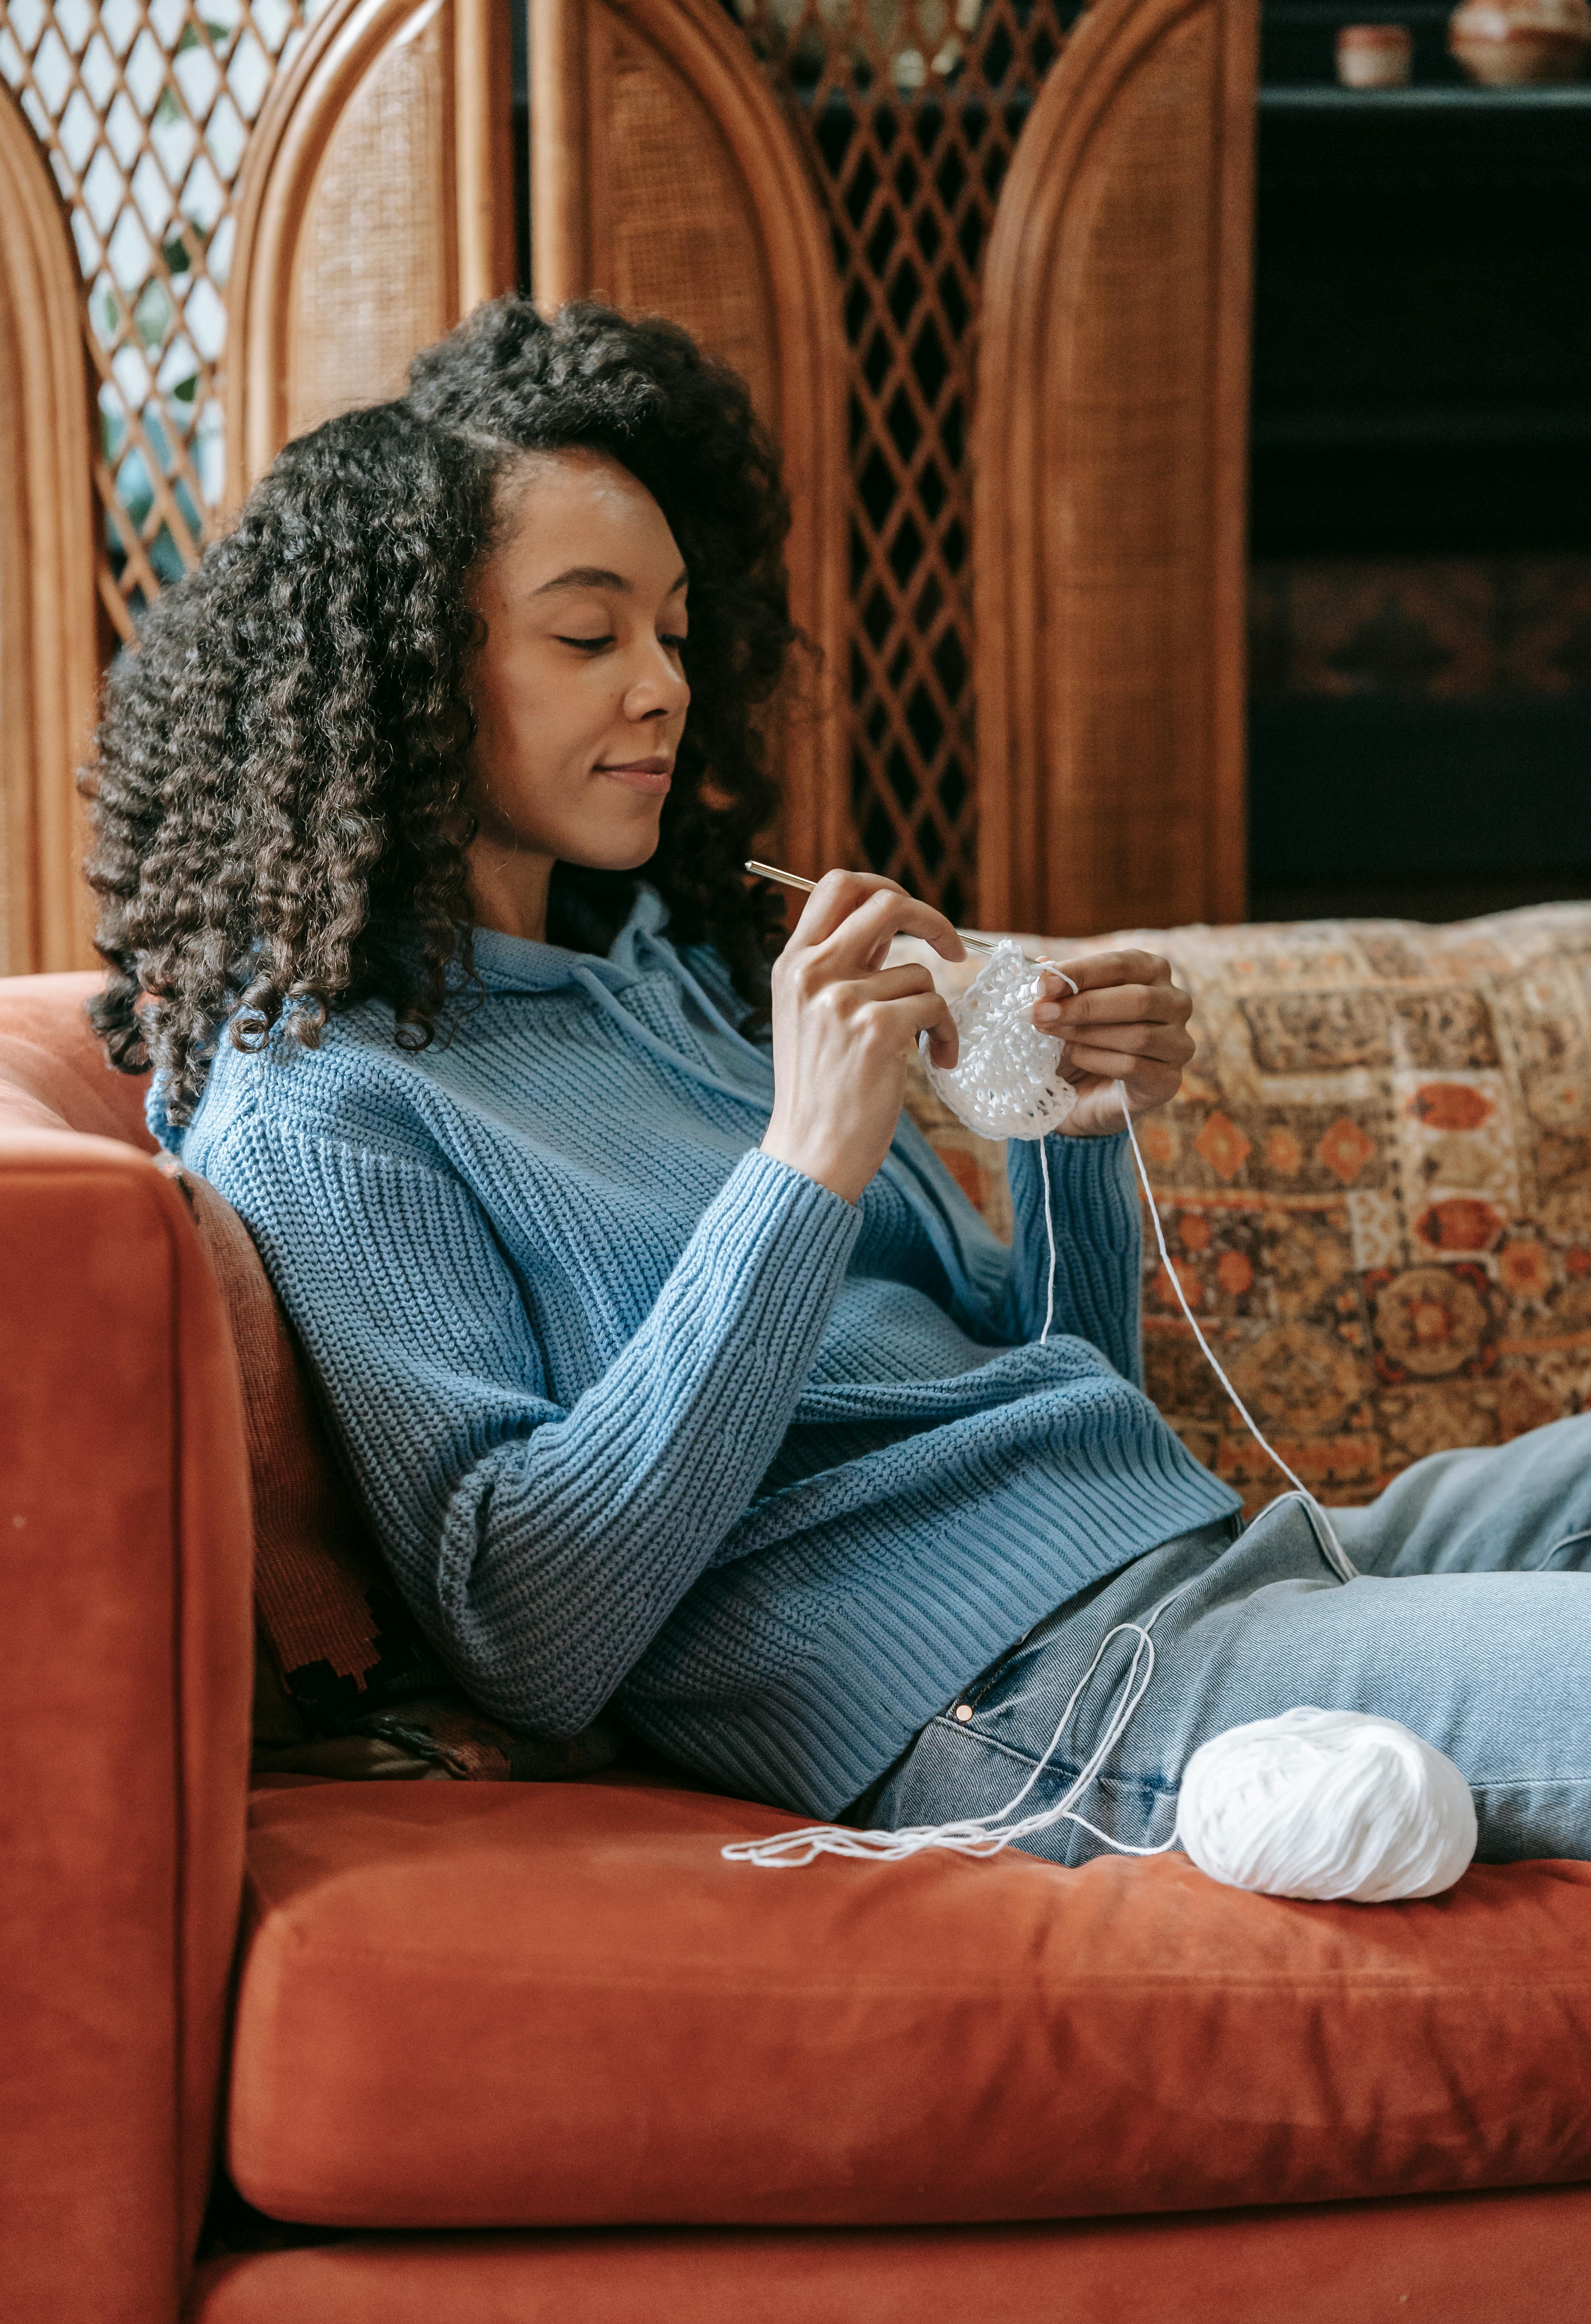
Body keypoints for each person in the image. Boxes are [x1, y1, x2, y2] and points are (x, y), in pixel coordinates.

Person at [87, 297, 1591, 1867]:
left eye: (674, 634)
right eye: (591, 637)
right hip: (1032, 1695)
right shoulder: (324, 1107)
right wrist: (804, 1160)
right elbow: (527, 1633)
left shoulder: (671, 985)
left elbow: (1066, 1407)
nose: (663, 687)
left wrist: (1066, 1137)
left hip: (1211, 1568)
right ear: (402, 680)